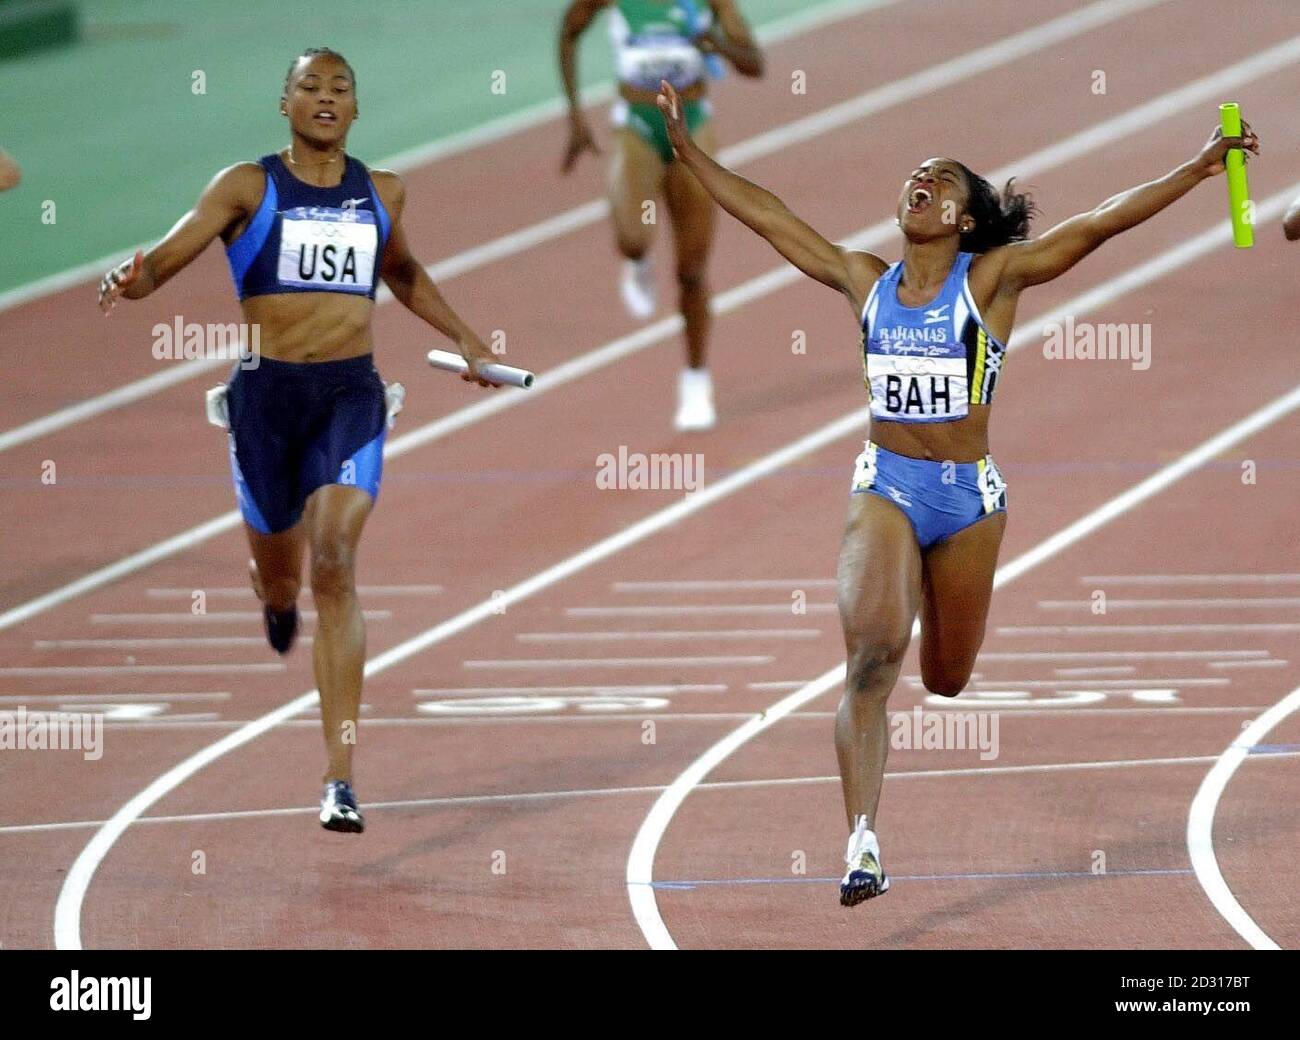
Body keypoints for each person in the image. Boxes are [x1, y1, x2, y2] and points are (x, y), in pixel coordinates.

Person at [656, 78, 1259, 905]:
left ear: (965, 220)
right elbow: (769, 216)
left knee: (944, 679)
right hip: (888, 486)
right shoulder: (861, 277)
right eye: (917, 174)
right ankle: (862, 841)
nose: (922, 182)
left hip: (969, 501)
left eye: (941, 180)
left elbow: (1101, 221)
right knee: (872, 657)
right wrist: (690, 156)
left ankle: (924, 670)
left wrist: (1197, 169)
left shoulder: (992, 282)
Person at [98, 48, 505, 834]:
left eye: (340, 88)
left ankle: (339, 777)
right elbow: (169, 258)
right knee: (283, 578)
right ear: (283, 104)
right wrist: (133, 280)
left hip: (349, 395)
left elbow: (406, 272)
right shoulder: (245, 186)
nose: (325, 97)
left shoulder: (382, 192)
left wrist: (469, 340)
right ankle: (276, 601)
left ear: (356, 110)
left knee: (336, 557)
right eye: (310, 87)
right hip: (265, 403)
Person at [560, 0, 763, 430]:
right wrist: (576, 115)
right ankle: (638, 262)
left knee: (692, 270)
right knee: (632, 239)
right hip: (636, 121)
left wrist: (717, 44)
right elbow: (570, 30)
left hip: (692, 124)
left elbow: (754, 63)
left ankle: (695, 379)